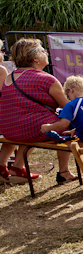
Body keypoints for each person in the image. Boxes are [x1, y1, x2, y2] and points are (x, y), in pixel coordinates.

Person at [0, 39, 74, 184]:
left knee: (31, 124)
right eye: (42, 50)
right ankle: (64, 172)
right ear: (35, 58)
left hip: (9, 129)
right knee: (67, 126)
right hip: (33, 129)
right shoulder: (46, 79)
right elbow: (69, 107)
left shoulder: (10, 77)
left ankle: (17, 168)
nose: (46, 52)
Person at [40, 76, 83, 144]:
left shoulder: (71, 104)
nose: (68, 98)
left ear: (70, 91)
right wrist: (75, 130)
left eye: (68, 96)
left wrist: (49, 127)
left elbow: (63, 124)